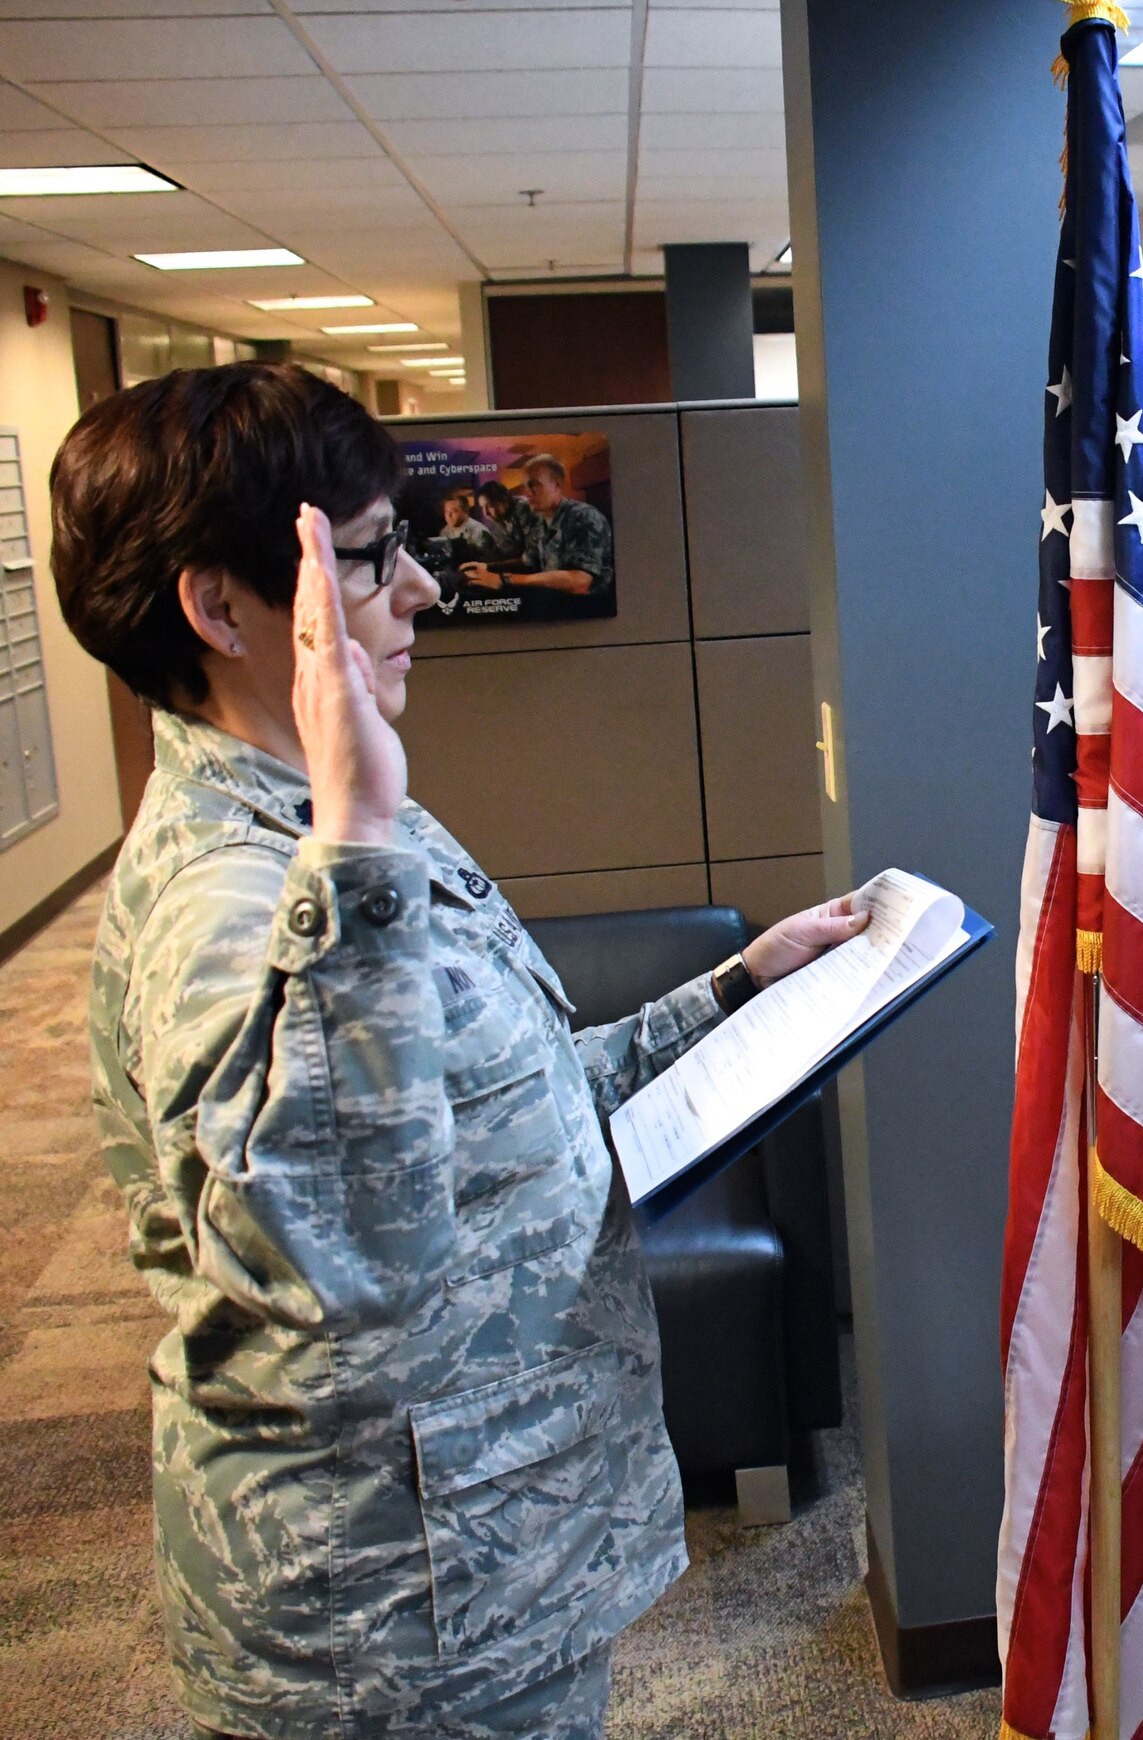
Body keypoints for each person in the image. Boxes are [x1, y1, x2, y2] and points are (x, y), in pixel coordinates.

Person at [50, 362, 868, 1740]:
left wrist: (731, 992)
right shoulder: (241, 899)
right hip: (397, 1627)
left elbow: (498, 1102)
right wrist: (360, 843)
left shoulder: (335, 826)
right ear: (220, 605)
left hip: (492, 1556)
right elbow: (340, 1270)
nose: (424, 590)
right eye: (372, 563)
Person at [460, 454, 612, 599]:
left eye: (534, 485)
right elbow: (527, 561)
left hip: (588, 612)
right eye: (525, 486)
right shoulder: (540, 524)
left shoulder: (583, 517)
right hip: (553, 604)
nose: (526, 492)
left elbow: (581, 582)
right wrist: (488, 567)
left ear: (557, 484)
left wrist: (505, 579)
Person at [475, 477, 536, 561]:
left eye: (490, 506)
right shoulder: (494, 524)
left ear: (504, 499)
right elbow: (506, 552)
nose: (486, 513)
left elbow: (532, 555)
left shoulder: (523, 509)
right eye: (482, 508)